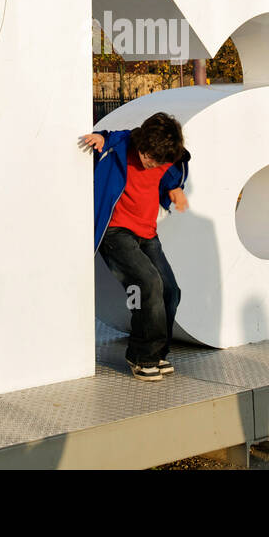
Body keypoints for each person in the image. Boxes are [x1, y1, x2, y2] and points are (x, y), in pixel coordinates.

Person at [80, 112, 190, 382]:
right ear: (142, 142)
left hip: (147, 232)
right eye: (148, 158)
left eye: (158, 162)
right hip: (116, 232)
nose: (151, 165)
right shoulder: (118, 147)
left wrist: (175, 189)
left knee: (171, 291)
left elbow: (172, 175)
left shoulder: (166, 158)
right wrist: (100, 139)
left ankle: (157, 352)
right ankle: (142, 356)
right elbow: (109, 139)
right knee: (148, 283)